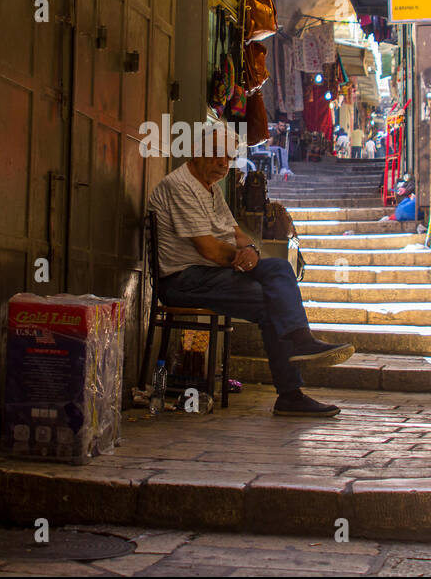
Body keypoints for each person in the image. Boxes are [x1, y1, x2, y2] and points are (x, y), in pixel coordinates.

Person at [148, 123, 354, 416]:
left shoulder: (212, 189)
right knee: (271, 301)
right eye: (217, 154)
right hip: (184, 278)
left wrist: (251, 252)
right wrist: (242, 256)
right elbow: (209, 249)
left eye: (229, 158)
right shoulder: (179, 185)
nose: (223, 163)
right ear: (196, 152)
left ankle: (300, 343)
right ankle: (291, 391)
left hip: (214, 272)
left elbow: (237, 234)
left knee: (280, 269)